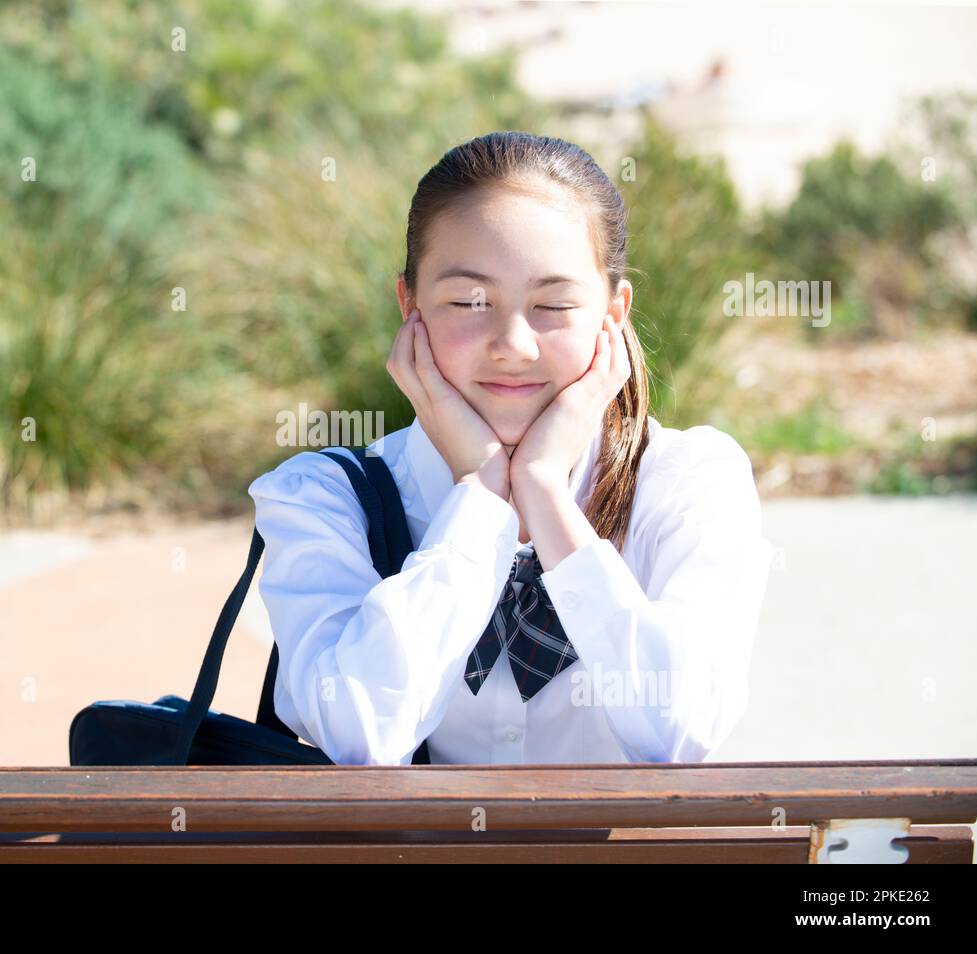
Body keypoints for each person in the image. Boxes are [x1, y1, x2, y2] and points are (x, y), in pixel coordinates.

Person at [247, 131, 774, 766]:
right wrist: (478, 497)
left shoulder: (688, 481)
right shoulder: (325, 499)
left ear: (615, 313)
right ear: (408, 304)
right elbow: (362, 733)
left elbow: (680, 730)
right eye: (470, 301)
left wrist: (548, 495)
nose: (513, 344)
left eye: (553, 303)